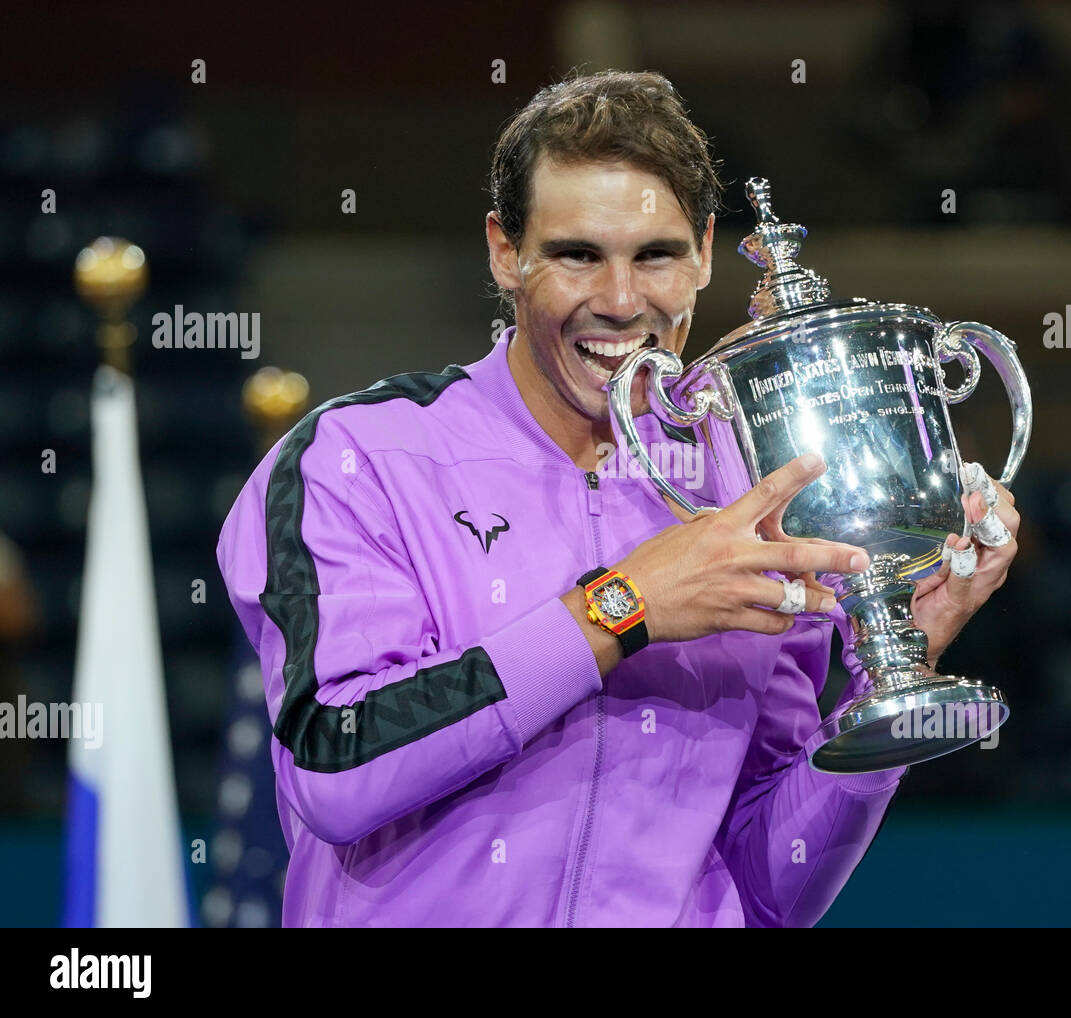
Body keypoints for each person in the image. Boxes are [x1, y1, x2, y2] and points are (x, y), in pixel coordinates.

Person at [216, 69, 1021, 927]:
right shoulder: (357, 459)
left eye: (657, 256)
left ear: (706, 252)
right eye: (577, 255)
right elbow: (336, 772)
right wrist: (621, 609)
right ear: (504, 251)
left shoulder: (749, 489)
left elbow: (766, 886)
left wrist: (886, 700)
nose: (621, 302)